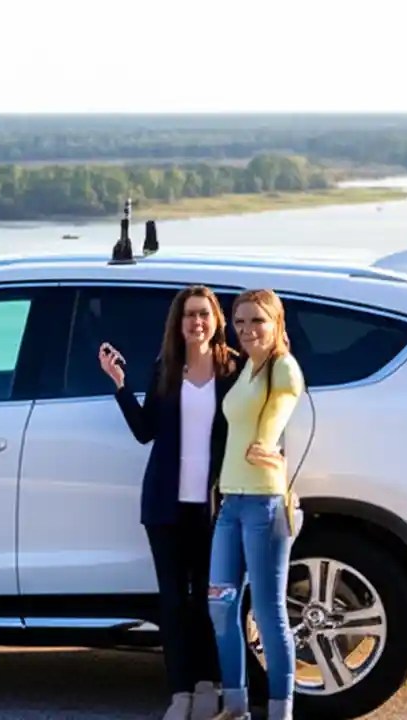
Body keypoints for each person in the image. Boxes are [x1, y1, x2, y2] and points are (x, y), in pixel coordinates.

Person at [99, 285, 243, 720]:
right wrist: (120, 386)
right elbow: (145, 431)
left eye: (203, 314)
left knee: (208, 600)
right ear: (177, 324)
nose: (196, 323)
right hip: (165, 505)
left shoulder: (233, 370)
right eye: (188, 315)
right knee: (173, 604)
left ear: (216, 319)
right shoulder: (166, 367)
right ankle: (180, 693)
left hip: (213, 507)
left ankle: (208, 687)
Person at [206, 289, 306, 720]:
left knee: (268, 613)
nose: (247, 330)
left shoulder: (283, 368)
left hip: (265, 504)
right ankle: (236, 706)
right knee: (221, 605)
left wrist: (265, 443)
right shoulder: (248, 367)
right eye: (241, 322)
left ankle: (280, 713)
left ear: (277, 322)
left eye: (257, 322)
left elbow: (280, 409)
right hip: (230, 503)